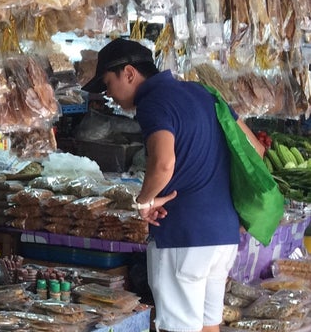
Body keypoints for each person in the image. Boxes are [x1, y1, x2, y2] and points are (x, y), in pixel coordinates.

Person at [82, 38, 265, 332]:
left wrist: (144, 202)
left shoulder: (153, 102)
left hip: (184, 236)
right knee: (208, 325)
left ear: (128, 73)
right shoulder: (203, 92)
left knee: (179, 327)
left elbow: (163, 164)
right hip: (223, 234)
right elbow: (255, 149)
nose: (109, 96)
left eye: (107, 84)